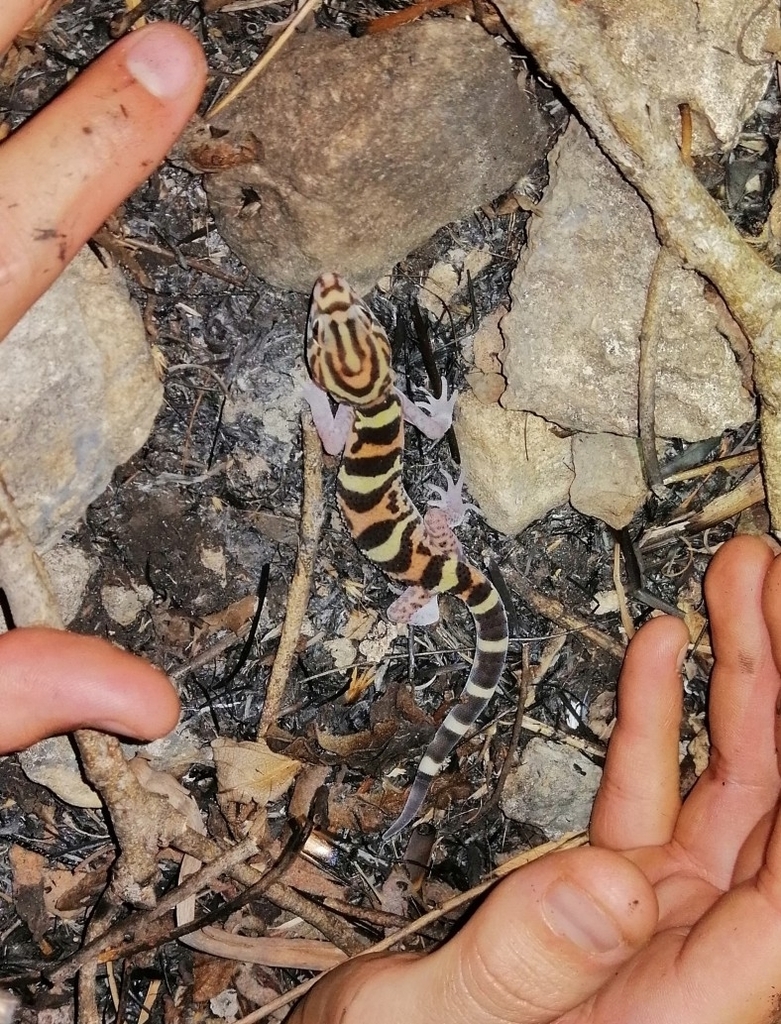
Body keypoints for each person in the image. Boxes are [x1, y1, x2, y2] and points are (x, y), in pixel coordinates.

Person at [4, 6, 781, 1023]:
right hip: (418, 551)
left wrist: (368, 453)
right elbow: (403, 423)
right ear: (355, 359)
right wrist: (423, 473)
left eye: (338, 313)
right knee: (440, 538)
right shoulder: (374, 409)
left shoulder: (354, 413)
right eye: (337, 315)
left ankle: (437, 723)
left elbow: (348, 432)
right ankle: (439, 709)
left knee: (437, 556)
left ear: (347, 361)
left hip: (412, 554)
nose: (335, 301)